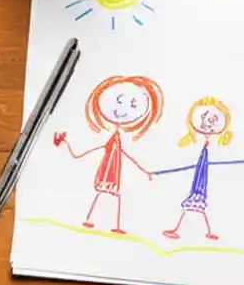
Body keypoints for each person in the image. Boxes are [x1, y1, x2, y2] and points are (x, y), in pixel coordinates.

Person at [54, 75, 163, 234]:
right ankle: (94, 221)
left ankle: (101, 222)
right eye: (119, 101)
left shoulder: (117, 139)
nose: (122, 110)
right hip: (107, 174)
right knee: (107, 195)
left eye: (133, 104)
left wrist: (143, 170)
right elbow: (114, 152)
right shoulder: (114, 140)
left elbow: (123, 154)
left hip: (111, 174)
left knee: (109, 196)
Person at [162, 97, 234, 241]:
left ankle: (207, 232)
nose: (206, 124)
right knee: (196, 209)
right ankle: (205, 231)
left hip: (200, 187)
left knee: (197, 209)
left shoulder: (209, 148)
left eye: (211, 120)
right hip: (198, 186)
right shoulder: (200, 146)